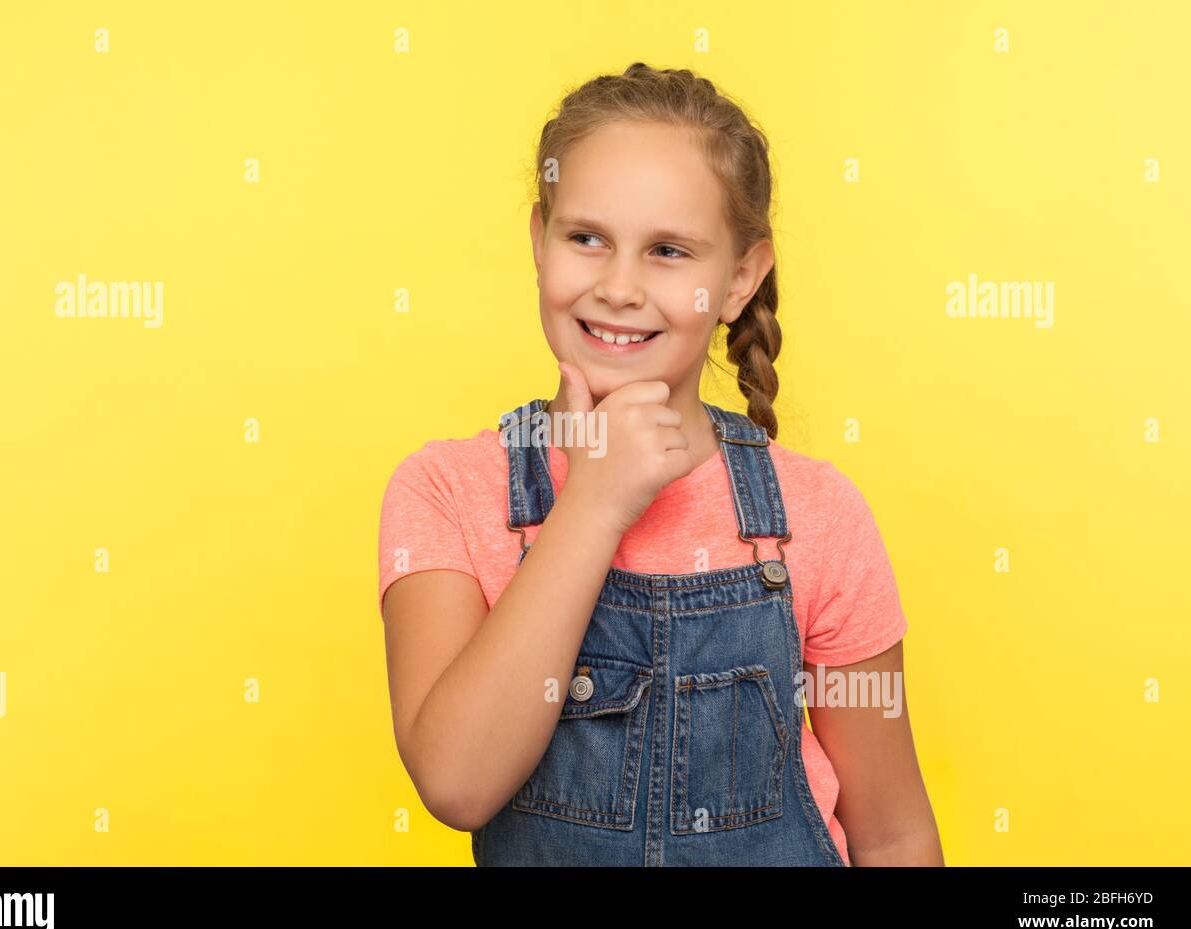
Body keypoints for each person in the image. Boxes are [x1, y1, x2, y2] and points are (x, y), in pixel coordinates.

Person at [378, 62, 942, 866]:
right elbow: (456, 781)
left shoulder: (820, 515)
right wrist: (594, 504)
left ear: (740, 279)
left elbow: (893, 833)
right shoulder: (443, 492)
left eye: (669, 251)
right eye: (587, 239)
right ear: (538, 240)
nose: (618, 287)